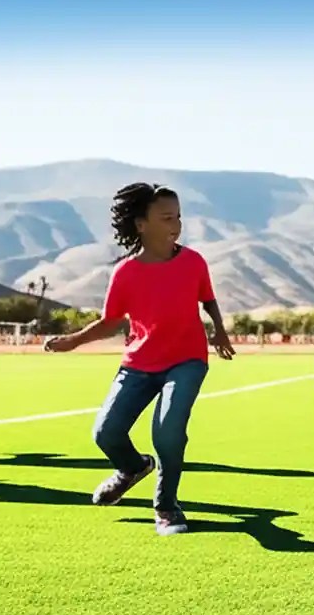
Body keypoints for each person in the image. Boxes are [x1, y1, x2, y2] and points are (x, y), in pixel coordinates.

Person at [44, 183, 235, 536]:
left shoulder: (193, 261)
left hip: (187, 359)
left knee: (168, 431)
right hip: (139, 363)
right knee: (106, 432)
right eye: (166, 218)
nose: (176, 224)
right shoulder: (126, 273)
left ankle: (166, 506)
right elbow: (111, 322)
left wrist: (219, 331)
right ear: (141, 224)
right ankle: (132, 468)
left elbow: (207, 299)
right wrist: (73, 341)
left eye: (178, 217)